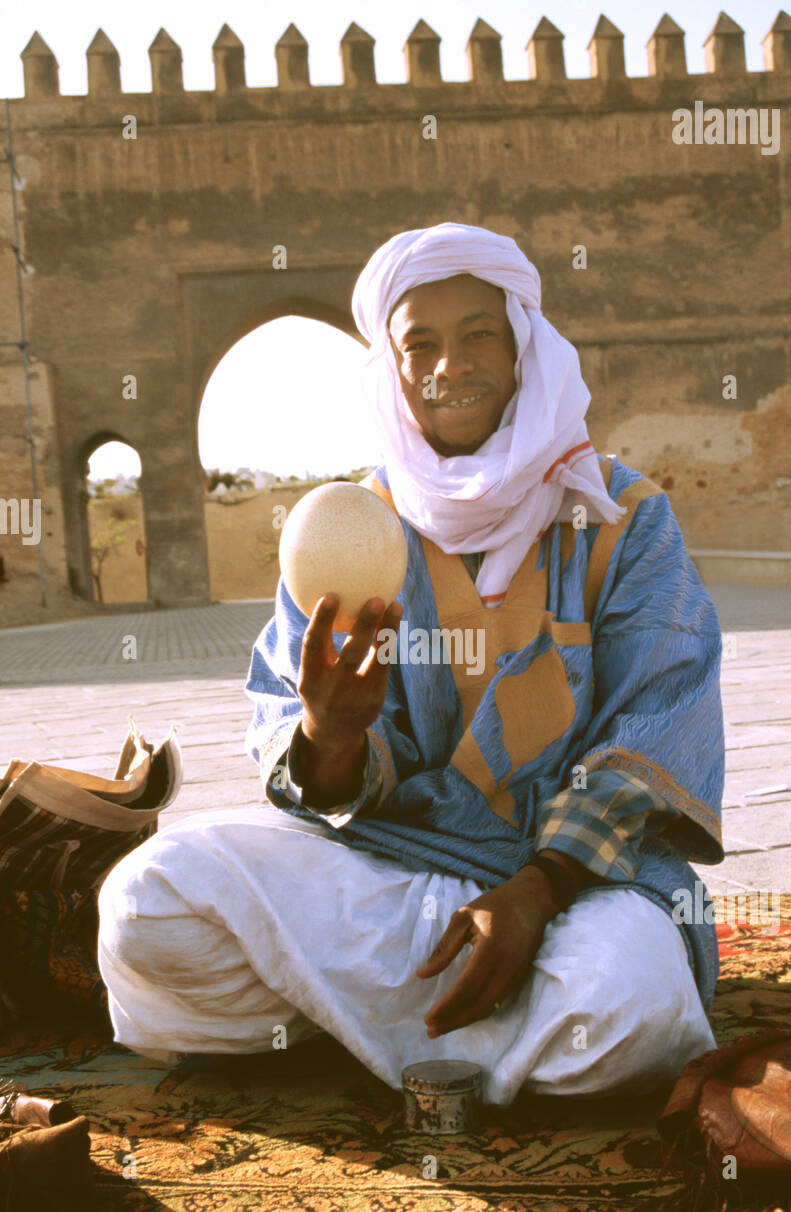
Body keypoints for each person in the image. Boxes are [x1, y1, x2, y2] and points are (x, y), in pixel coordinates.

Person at [97, 223, 726, 1107]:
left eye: (478, 334)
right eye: (418, 343)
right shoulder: (352, 525)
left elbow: (662, 718)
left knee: (625, 1010)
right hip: (389, 867)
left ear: (523, 349)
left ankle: (357, 1020)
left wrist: (536, 892)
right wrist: (330, 735)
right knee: (146, 905)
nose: (449, 364)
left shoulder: (619, 515)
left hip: (580, 887)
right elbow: (302, 753)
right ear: (388, 368)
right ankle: (477, 1036)